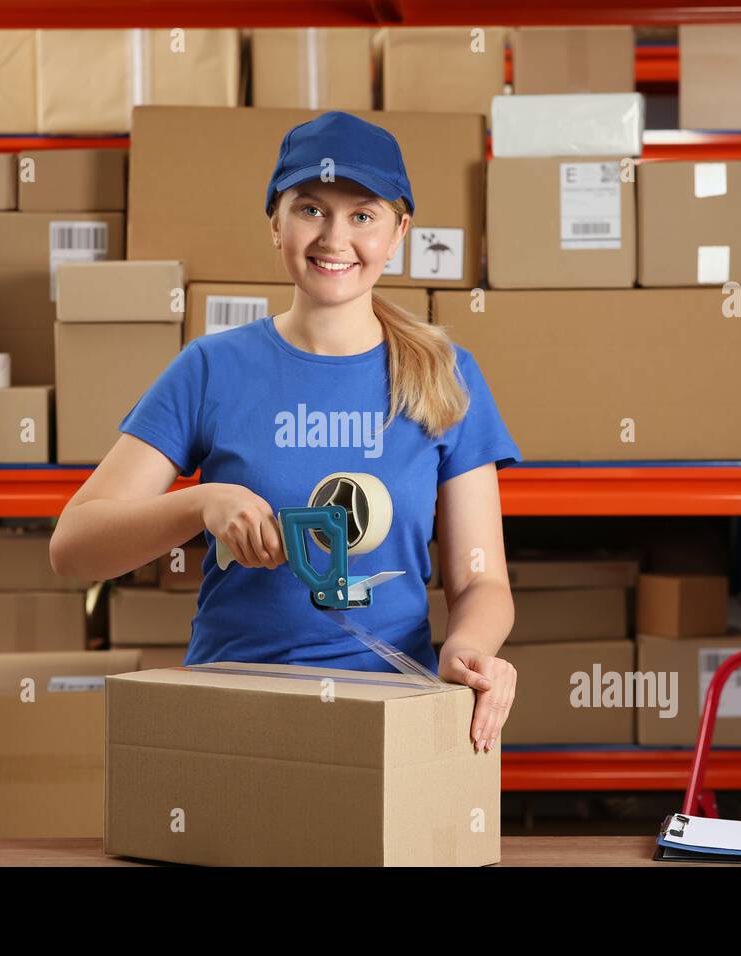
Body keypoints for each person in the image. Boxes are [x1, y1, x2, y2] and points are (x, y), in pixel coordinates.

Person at [51, 111, 522, 751]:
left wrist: (468, 649)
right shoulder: (211, 369)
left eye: (363, 215)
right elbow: (74, 549)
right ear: (275, 223)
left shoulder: (446, 376)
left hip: (389, 717)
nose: (334, 238)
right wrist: (200, 503)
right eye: (310, 209)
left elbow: (481, 580)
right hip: (234, 714)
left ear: (399, 232)